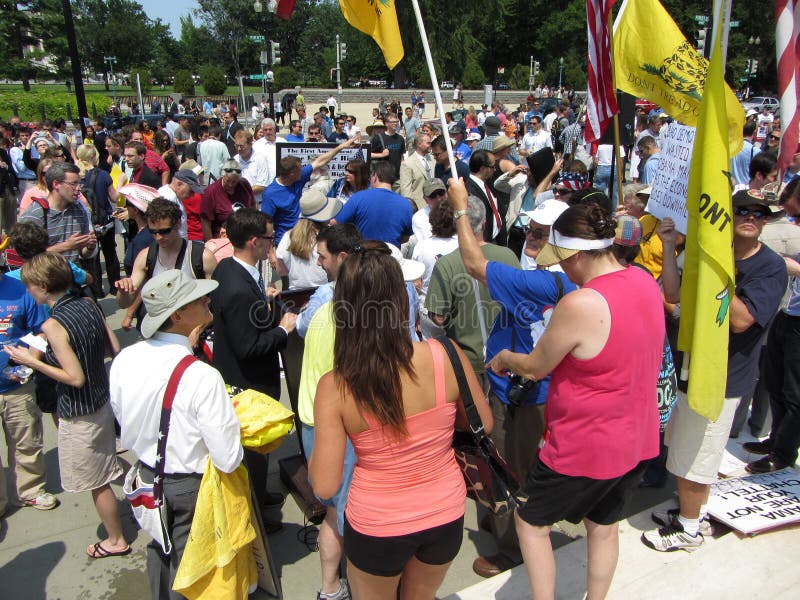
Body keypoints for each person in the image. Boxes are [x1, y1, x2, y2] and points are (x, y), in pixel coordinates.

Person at [484, 201, 663, 599]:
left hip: (585, 444)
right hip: (637, 437)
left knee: (530, 524)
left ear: (578, 255)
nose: (560, 269)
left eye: (562, 260)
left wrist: (505, 358)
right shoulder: (644, 280)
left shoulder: (581, 303)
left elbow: (533, 367)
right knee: (603, 526)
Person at [309, 244, 493, 600]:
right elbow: (482, 422)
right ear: (401, 299)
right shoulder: (446, 354)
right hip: (445, 511)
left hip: (377, 523)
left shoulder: (335, 387)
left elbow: (325, 484)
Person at [642, 189, 787, 552]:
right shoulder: (705, 250)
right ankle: (692, 512)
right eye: (743, 211)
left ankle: (689, 530)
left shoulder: (769, 267)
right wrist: (674, 247)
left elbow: (741, 320)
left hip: (722, 378)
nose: (752, 217)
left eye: (760, 213)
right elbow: (672, 294)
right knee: (684, 449)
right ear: (727, 215)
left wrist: (713, 269)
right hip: (686, 370)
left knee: (698, 456)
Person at [447, 180, 577, 579]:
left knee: (507, 470)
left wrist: (459, 210)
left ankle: (510, 550)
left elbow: (473, 263)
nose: (531, 237)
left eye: (541, 233)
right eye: (531, 229)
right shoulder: (559, 279)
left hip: (522, 395)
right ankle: (504, 525)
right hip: (530, 392)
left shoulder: (539, 283)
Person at [109, 269, 243, 599]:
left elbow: (122, 423)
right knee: (192, 571)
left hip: (146, 477)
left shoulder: (125, 359)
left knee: (160, 547)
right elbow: (228, 458)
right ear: (180, 314)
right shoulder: (202, 376)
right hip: (187, 486)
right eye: (199, 298)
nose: (208, 299)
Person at [5, 253, 130, 559]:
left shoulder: (53, 324)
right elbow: (113, 347)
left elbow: (74, 378)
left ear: (44, 286)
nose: (29, 292)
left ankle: (115, 539)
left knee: (97, 483)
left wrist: (27, 361)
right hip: (102, 402)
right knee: (107, 467)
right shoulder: (87, 305)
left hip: (79, 412)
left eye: (30, 286)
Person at [210, 208, 297, 520]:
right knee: (254, 451)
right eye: (269, 239)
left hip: (237, 376)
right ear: (253, 241)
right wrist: (282, 329)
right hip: (249, 383)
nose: (271, 245)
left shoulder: (227, 269)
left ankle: (259, 494)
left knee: (256, 456)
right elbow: (249, 346)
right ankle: (257, 513)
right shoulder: (237, 288)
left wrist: (266, 303)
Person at [0, 263, 54, 518]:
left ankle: (29, 490)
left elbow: (41, 331)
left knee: (27, 440)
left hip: (17, 386)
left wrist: (29, 365)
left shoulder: (22, 291)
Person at [334, 161, 413, 248]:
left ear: (375, 177)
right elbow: (405, 238)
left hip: (364, 254)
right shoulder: (406, 204)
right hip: (391, 257)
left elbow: (336, 222)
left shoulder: (358, 198)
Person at [275, 188, 338, 290]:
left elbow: (281, 270)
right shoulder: (330, 236)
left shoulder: (288, 236)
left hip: (296, 295)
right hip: (326, 294)